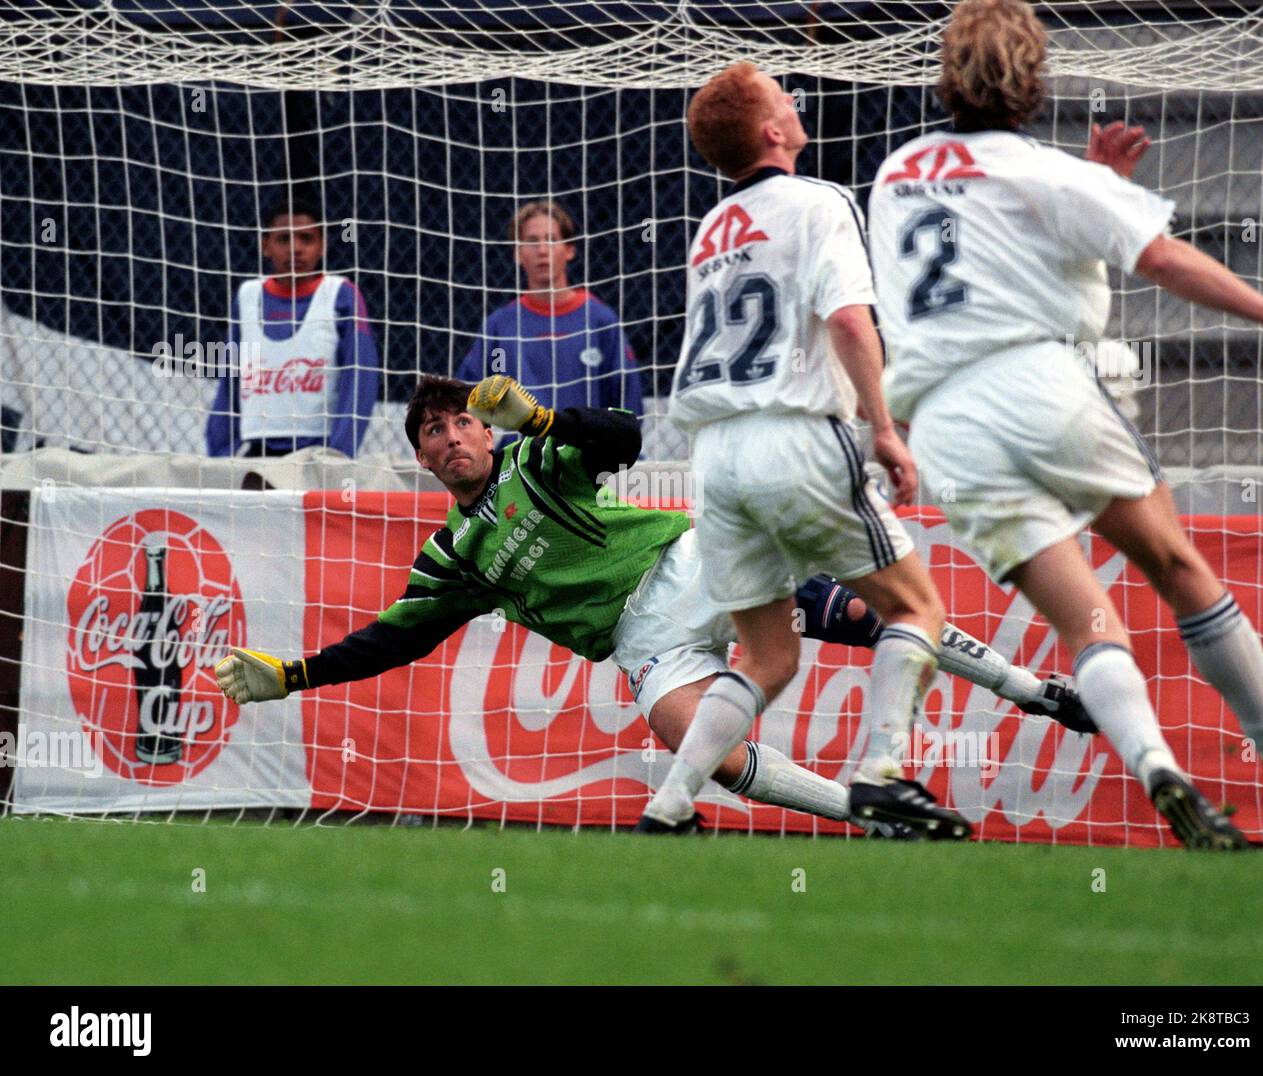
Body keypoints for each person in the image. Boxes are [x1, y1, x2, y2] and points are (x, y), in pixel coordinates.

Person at [214, 375, 1090, 835]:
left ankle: (1036, 691)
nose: (449, 441)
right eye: (430, 435)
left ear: (486, 432)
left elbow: (626, 438)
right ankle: (868, 811)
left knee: (868, 616)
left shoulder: (535, 462)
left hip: (688, 560)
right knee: (687, 736)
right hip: (640, 639)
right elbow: (390, 641)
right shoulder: (453, 558)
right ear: (423, 459)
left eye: (459, 425)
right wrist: (291, 674)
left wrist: (545, 419)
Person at [867, 0, 1263, 848]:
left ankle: (1155, 767)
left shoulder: (893, 176)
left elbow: (992, 240)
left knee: (1085, 621)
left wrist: (1104, 184)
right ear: (1034, 78)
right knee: (1175, 563)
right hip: (1039, 384)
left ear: (947, 77)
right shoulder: (1048, 172)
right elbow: (1163, 259)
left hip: (945, 424)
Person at [640, 62, 963, 837]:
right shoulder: (820, 201)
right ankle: (881, 773)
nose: (795, 103)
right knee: (914, 606)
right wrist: (884, 426)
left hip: (715, 458)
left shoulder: (709, 232)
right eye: (785, 99)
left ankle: (670, 803)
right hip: (794, 435)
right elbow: (850, 320)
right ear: (772, 132)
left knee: (766, 657)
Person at [206, 199, 380, 458]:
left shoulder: (340, 295)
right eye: (283, 240)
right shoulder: (247, 296)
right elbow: (231, 380)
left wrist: (338, 455)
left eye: (306, 239)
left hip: (317, 450)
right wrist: (220, 453)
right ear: (265, 245)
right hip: (256, 449)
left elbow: (360, 381)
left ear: (322, 246)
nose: (295, 249)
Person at [455, 201, 642, 417]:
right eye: (532, 241)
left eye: (551, 240)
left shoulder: (600, 321)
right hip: (522, 449)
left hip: (589, 449)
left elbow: (628, 406)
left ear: (569, 250)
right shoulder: (500, 326)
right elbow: (466, 402)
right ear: (517, 253)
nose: (542, 250)